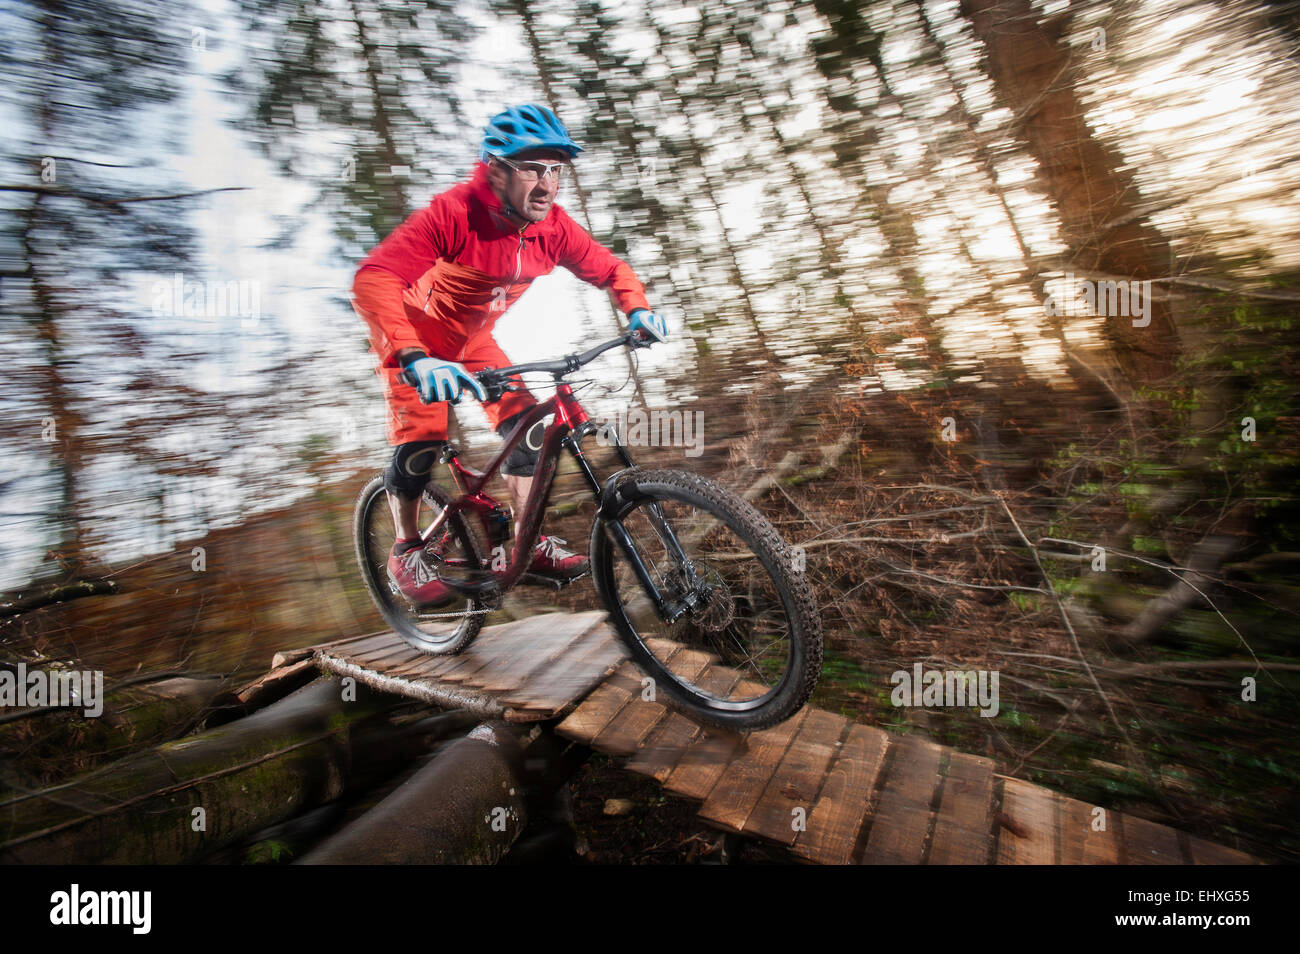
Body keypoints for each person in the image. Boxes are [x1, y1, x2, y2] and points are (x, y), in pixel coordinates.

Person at [352, 104, 669, 607]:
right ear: (496, 169)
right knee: (423, 441)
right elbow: (374, 278)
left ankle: (520, 546)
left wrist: (638, 309)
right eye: (530, 168)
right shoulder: (453, 214)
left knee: (530, 429)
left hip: (475, 343)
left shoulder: (555, 228)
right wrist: (413, 356)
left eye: (555, 170)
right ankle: (405, 550)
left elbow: (611, 269)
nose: (546, 185)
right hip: (416, 337)